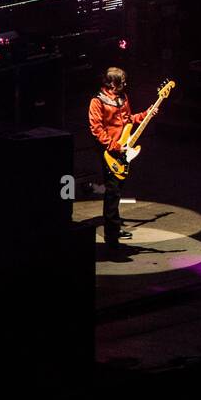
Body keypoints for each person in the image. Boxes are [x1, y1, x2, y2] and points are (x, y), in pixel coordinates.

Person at [88, 67, 146, 260]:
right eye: (121, 82)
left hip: (122, 151)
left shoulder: (123, 98)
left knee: (117, 192)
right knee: (112, 193)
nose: (125, 85)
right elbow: (97, 130)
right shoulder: (97, 102)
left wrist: (146, 114)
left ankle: (115, 230)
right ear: (111, 83)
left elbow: (129, 121)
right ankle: (111, 240)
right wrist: (116, 147)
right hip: (109, 153)